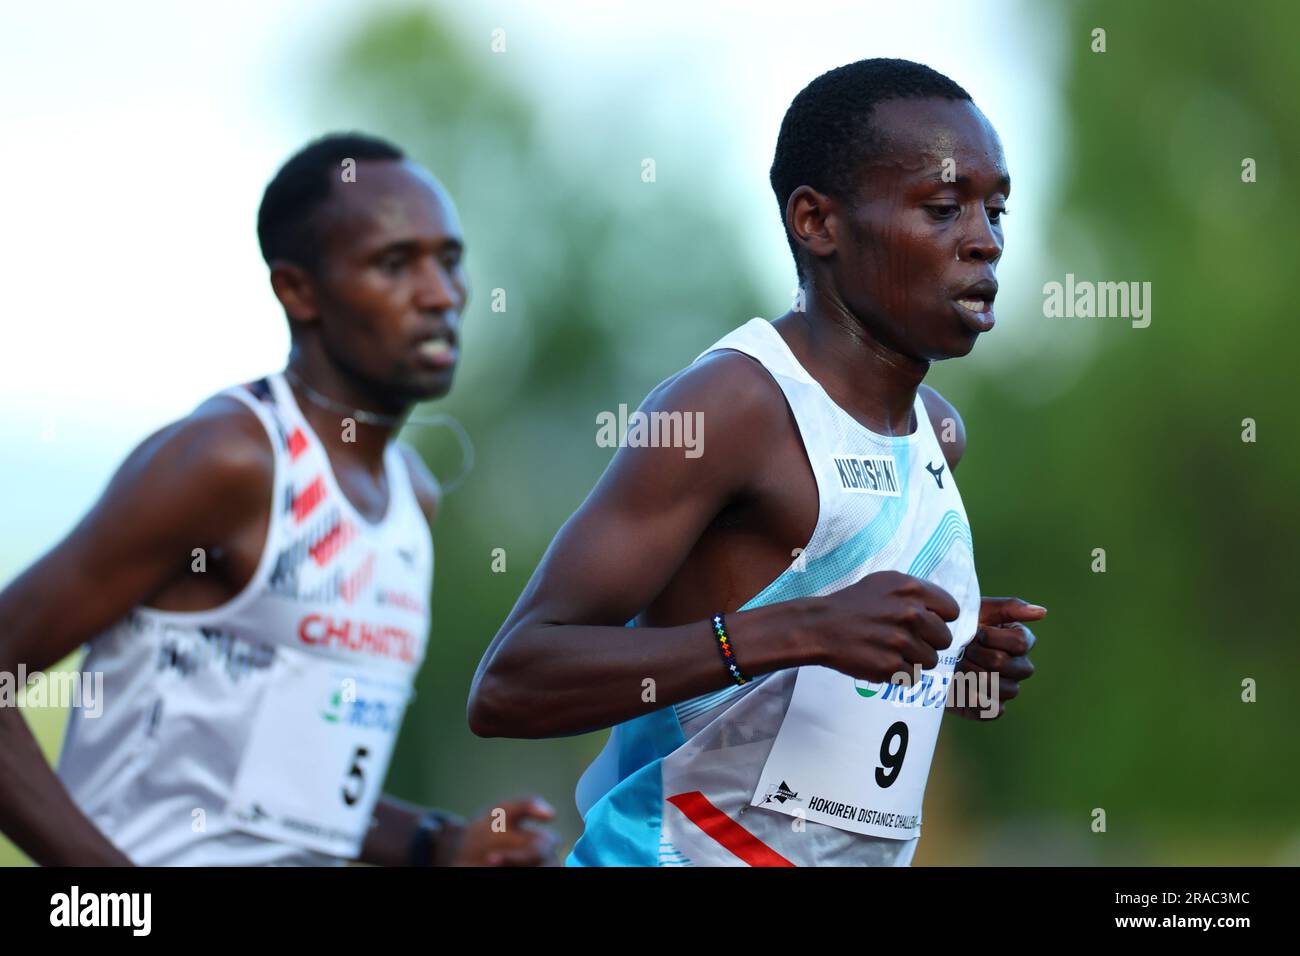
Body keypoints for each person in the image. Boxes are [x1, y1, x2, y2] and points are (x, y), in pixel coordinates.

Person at [468, 60, 1044, 866]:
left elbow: (813, 700)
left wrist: (946, 665)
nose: (984, 241)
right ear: (817, 222)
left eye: (996, 208)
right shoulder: (731, 409)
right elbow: (512, 683)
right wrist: (801, 630)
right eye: (944, 209)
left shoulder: (937, 432)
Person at [0, 132, 555, 866]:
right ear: (297, 290)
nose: (440, 294)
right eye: (395, 264)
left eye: (449, 261)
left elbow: (292, 797)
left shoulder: (410, 500)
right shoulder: (228, 462)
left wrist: (440, 842)